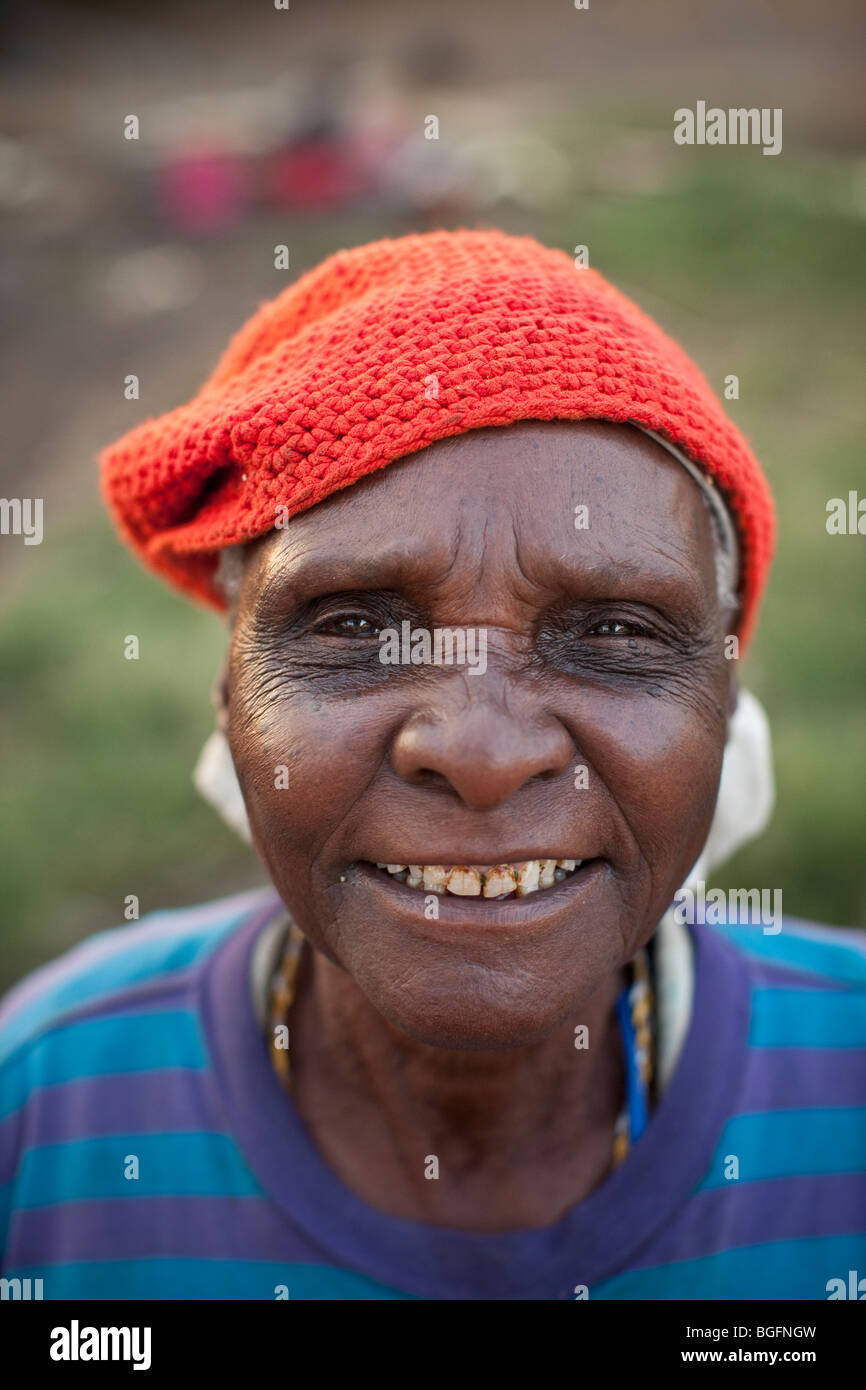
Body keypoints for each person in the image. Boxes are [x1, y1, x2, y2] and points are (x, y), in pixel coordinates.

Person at [1, 230, 864, 1301]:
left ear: (724, 706)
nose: (483, 754)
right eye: (355, 625)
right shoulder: (47, 1100)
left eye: (612, 633)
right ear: (229, 700)